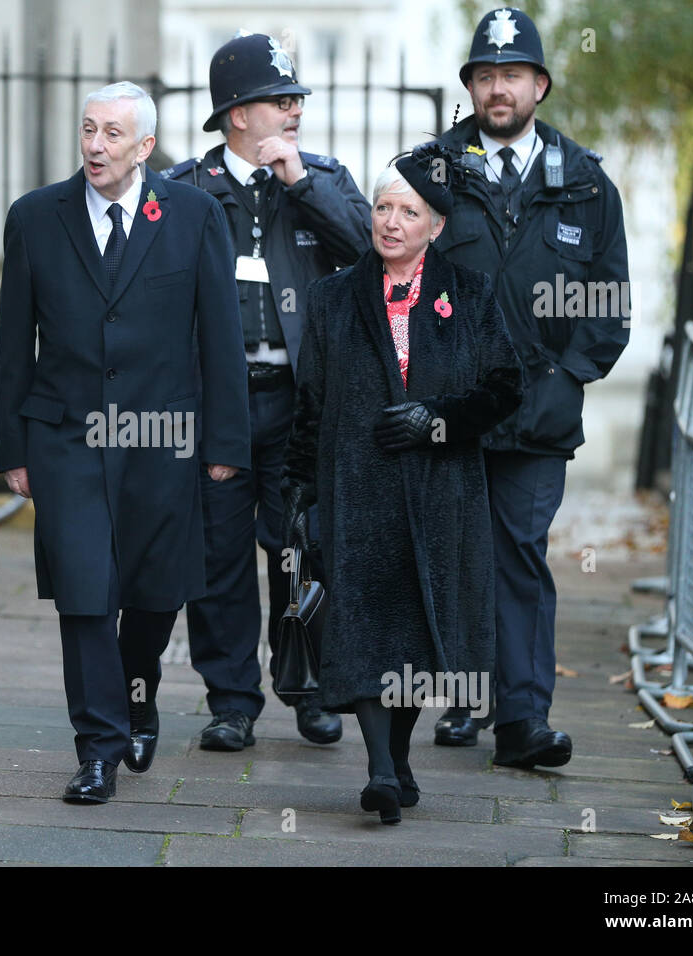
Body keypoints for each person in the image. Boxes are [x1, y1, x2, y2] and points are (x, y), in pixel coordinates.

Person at [0, 81, 250, 803]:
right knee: (84, 592)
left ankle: (139, 697)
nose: (96, 146)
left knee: (150, 596)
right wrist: (13, 447)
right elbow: (14, 340)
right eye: (88, 130)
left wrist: (223, 443)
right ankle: (99, 749)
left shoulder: (196, 216)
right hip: (64, 435)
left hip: (162, 436)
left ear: (144, 148)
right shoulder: (34, 217)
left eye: (113, 134)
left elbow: (221, 339)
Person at [282, 143, 522, 823]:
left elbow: (505, 387)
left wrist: (437, 421)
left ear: (435, 226)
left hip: (439, 493)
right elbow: (311, 400)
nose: (390, 221)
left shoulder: (470, 295)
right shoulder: (332, 298)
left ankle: (402, 756)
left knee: (415, 631)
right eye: (383, 208)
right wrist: (300, 488)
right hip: (355, 491)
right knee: (361, 625)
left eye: (407, 211)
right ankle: (380, 769)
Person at [162, 33, 372, 751]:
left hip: (301, 401)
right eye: (280, 101)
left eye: (297, 100)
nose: (294, 112)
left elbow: (375, 257)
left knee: (302, 547)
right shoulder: (186, 190)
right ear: (237, 114)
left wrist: (301, 187)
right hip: (217, 403)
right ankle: (231, 701)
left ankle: (308, 688)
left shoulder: (321, 176)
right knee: (218, 554)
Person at [432, 7, 630, 767]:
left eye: (512, 74)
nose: (498, 88)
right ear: (472, 88)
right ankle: (461, 696)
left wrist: (569, 376)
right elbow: (397, 277)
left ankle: (521, 721)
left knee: (519, 553)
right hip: (452, 408)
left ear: (539, 85)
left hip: (539, 414)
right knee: (455, 553)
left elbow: (609, 302)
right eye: (485, 75)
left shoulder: (584, 183)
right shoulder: (433, 173)